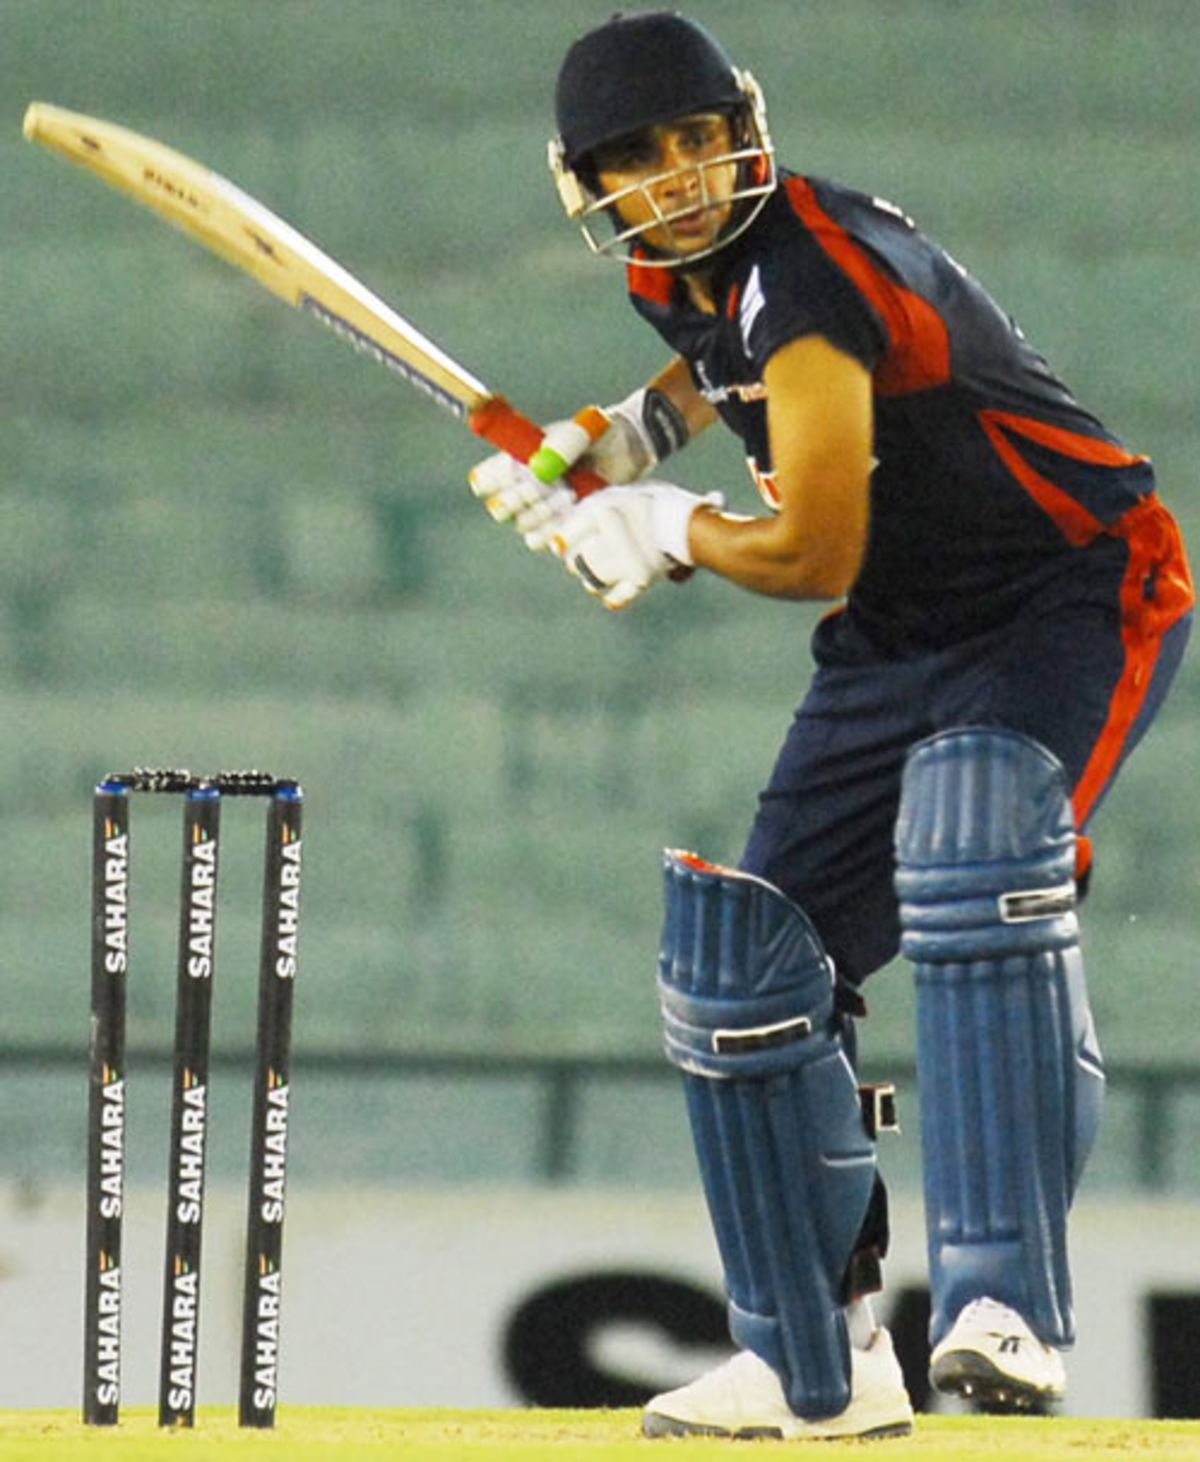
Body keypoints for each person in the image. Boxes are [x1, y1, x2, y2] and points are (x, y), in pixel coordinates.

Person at [470, 9, 1194, 1442]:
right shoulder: (691, 272)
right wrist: (622, 443)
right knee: (748, 959)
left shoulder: (806, 268)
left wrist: (666, 525)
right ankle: (816, 1356)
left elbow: (814, 550)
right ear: (590, 186)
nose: (677, 177)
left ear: (744, 129)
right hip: (902, 635)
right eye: (638, 158)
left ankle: (1006, 1309)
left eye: (696, 141)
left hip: (1073, 589)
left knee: (979, 838)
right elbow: (711, 365)